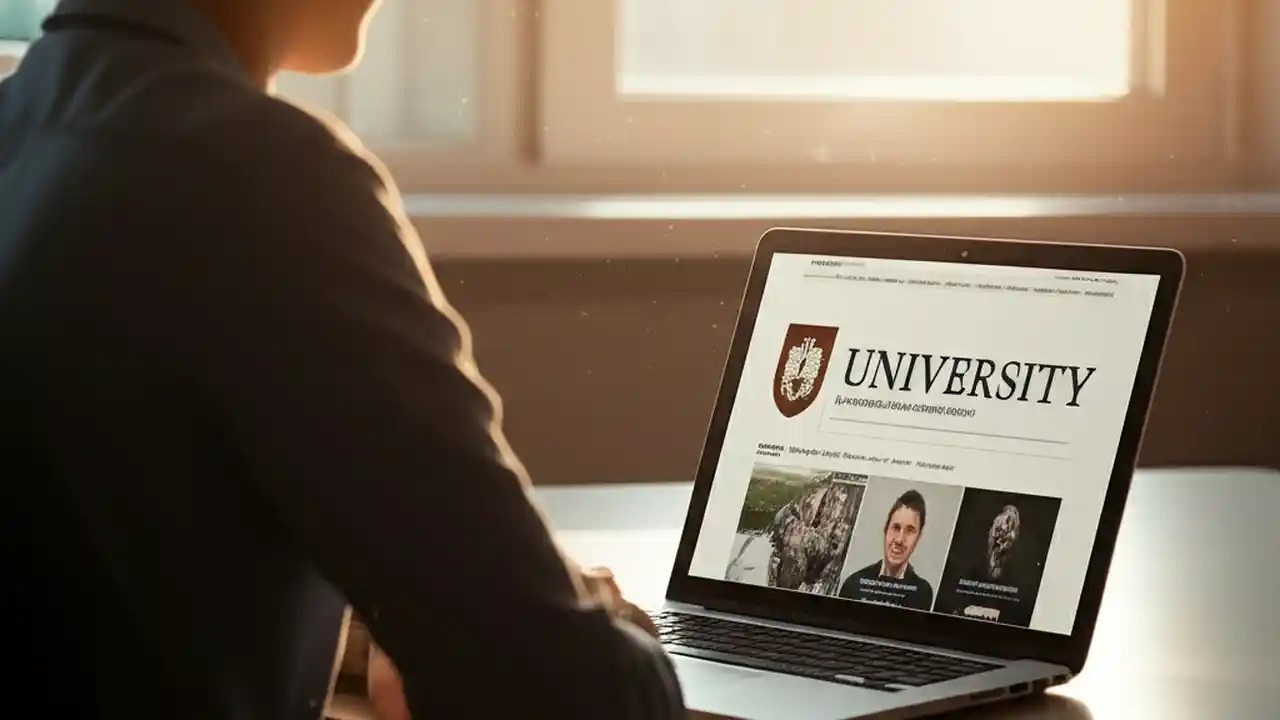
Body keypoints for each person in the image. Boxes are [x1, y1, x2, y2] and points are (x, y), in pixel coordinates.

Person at [0, 0, 683, 718]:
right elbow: (561, 689)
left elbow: (110, 572)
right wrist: (605, 624)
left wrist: (377, 616)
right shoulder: (260, 180)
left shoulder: (25, 132)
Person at [838, 490, 934, 610]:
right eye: (896, 527)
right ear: (886, 530)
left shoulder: (922, 593)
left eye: (910, 530)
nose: (899, 540)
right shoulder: (854, 583)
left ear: (918, 538)